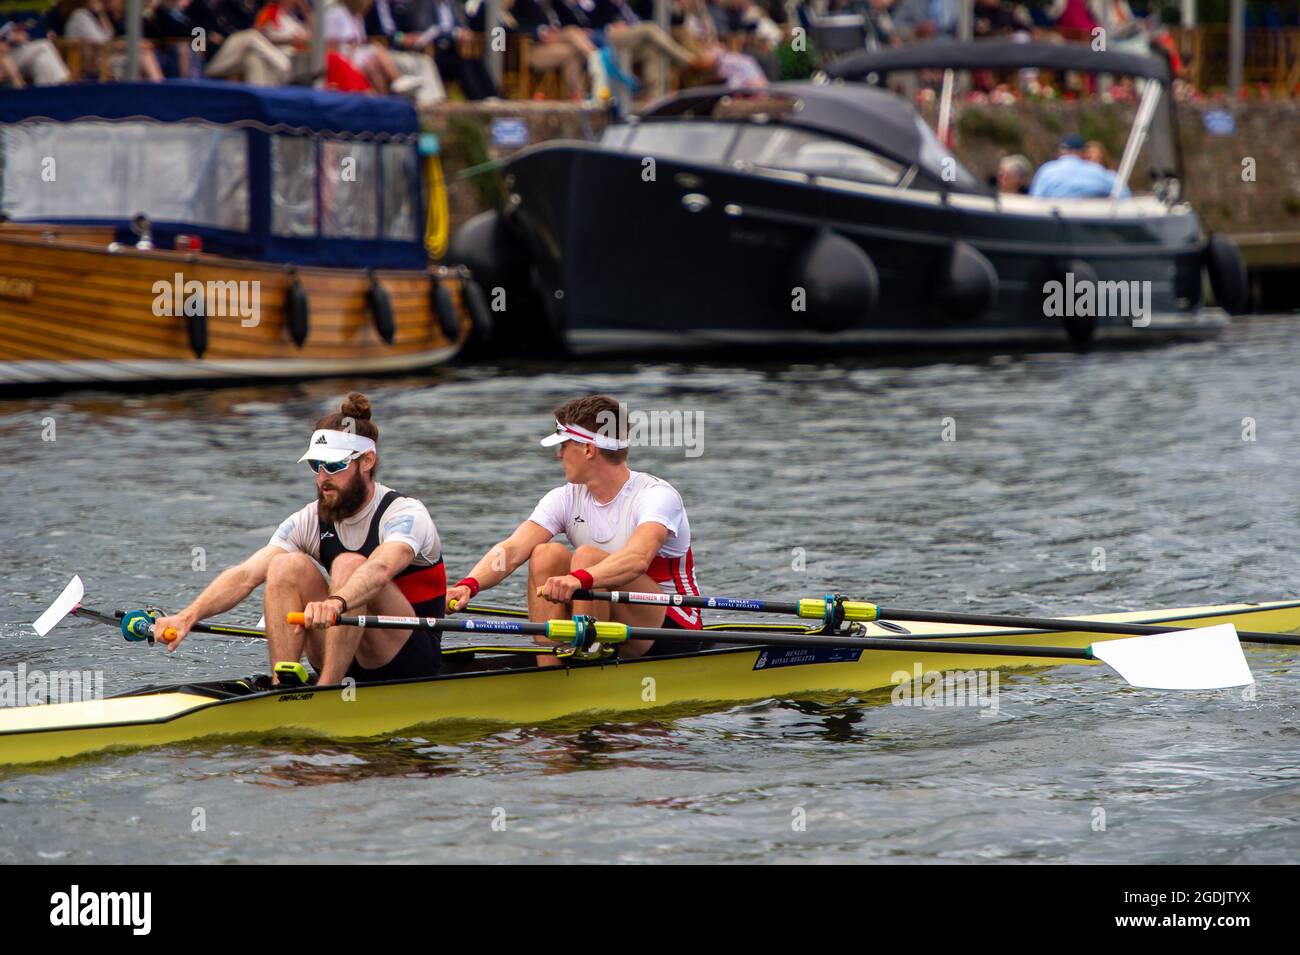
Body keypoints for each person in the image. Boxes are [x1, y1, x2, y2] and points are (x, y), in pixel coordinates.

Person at [153, 393, 448, 686]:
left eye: (333, 465)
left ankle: (327, 691)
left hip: (409, 658)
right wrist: (187, 616)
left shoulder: (405, 513)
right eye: (315, 465)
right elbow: (245, 576)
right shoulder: (309, 519)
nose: (322, 477)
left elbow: (382, 567)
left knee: (349, 563)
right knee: (283, 566)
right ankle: (283, 685)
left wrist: (335, 602)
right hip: (347, 648)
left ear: (367, 461)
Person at [446, 395, 703, 664]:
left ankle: (587, 663)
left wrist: (579, 579)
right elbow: (512, 549)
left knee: (587, 557)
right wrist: (469, 585)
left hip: (671, 626)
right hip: (608, 613)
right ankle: (550, 665)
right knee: (546, 553)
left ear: (588, 450)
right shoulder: (565, 498)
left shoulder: (656, 496)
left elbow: (637, 559)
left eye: (564, 445)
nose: (559, 455)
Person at [1029, 134, 1129, 199]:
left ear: (1060, 152)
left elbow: (1035, 199)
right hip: (1091, 223)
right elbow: (1123, 195)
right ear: (1083, 153)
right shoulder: (1098, 171)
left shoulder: (1047, 170)